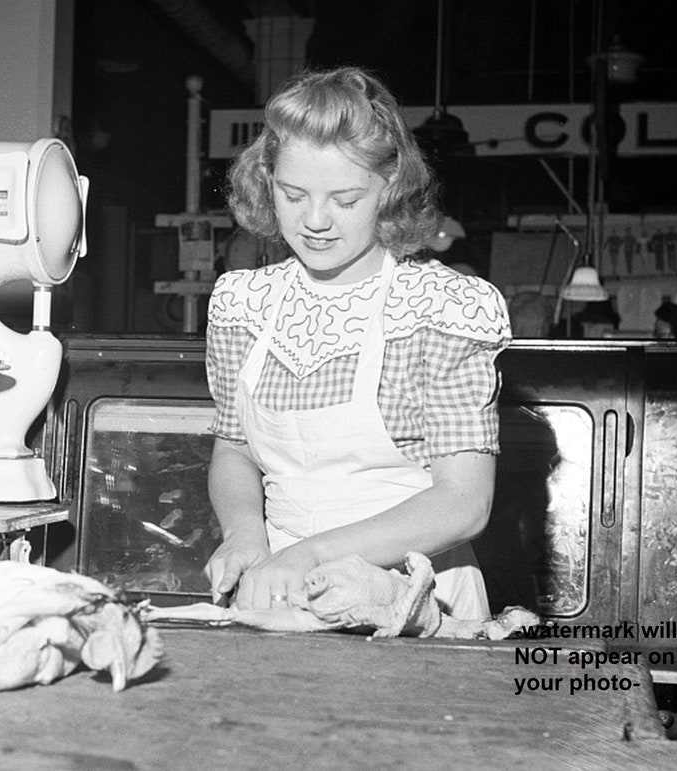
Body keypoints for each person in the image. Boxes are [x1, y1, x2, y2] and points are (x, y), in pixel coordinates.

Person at [202, 67, 511, 619]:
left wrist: (312, 554)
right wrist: (245, 533)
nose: (315, 221)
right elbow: (234, 447)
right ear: (267, 178)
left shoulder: (442, 309)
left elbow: (465, 503)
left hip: (417, 596)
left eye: (344, 199)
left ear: (389, 188)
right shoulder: (241, 305)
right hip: (279, 589)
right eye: (292, 194)